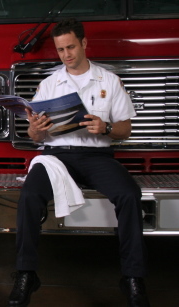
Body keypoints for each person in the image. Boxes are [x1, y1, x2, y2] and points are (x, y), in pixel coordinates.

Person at [8, 19, 149, 307]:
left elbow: (125, 129)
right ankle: (26, 274)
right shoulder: (49, 84)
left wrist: (106, 128)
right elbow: (35, 137)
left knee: (130, 194)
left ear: (84, 44)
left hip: (97, 156)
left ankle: (132, 278)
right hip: (56, 157)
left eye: (71, 47)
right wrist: (36, 127)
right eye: (61, 49)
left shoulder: (108, 80)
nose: (66, 54)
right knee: (30, 196)